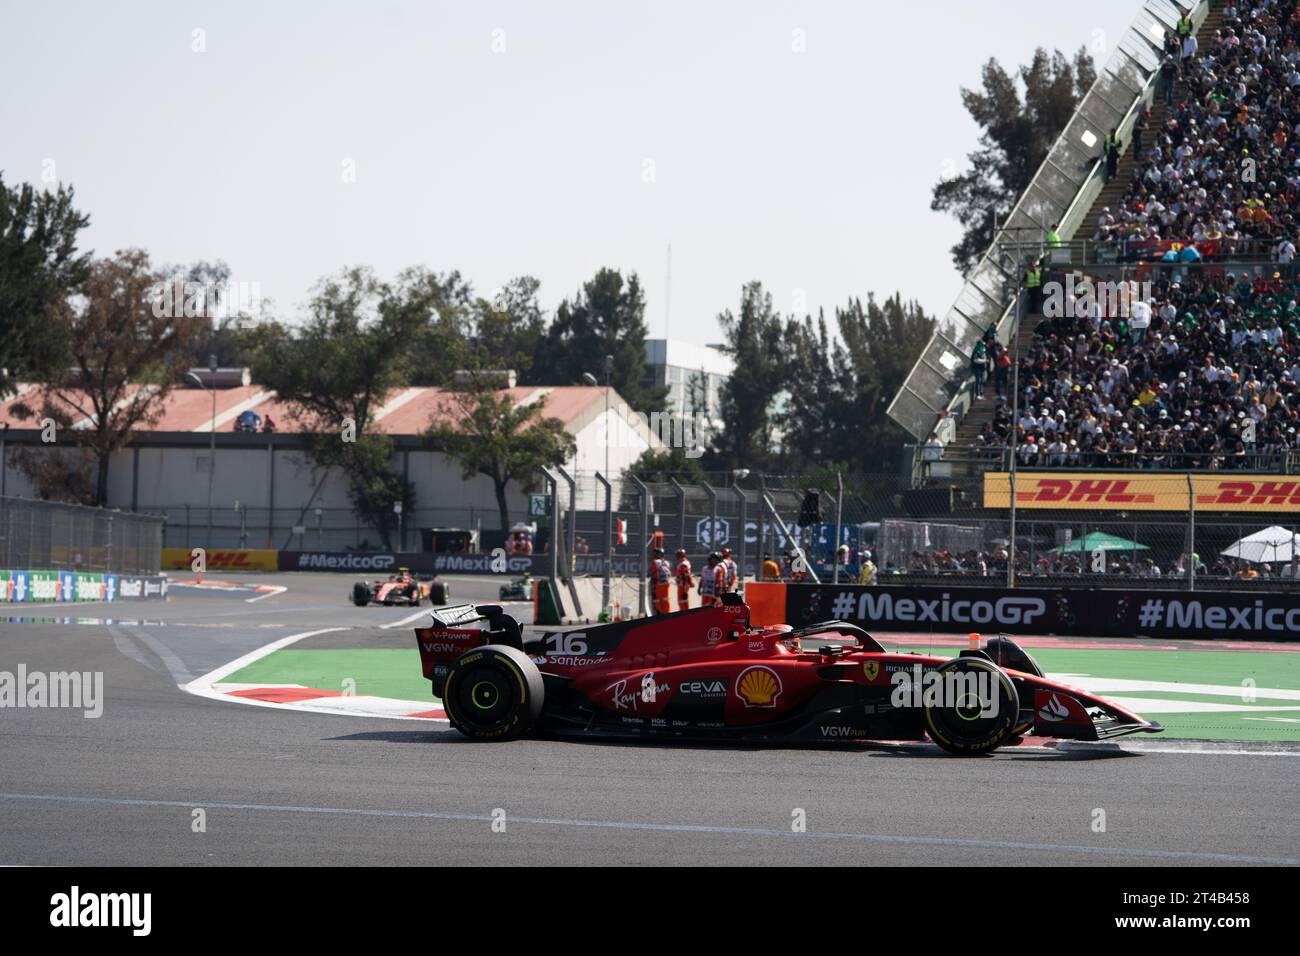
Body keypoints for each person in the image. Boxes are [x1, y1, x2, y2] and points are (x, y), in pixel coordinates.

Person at [649, 548, 672, 615]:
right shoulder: (667, 562)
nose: (653, 555)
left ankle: (659, 612)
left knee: (656, 600)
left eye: (654, 554)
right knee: (665, 599)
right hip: (667, 583)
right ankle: (667, 612)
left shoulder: (655, 562)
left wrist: (653, 585)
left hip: (659, 584)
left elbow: (654, 574)